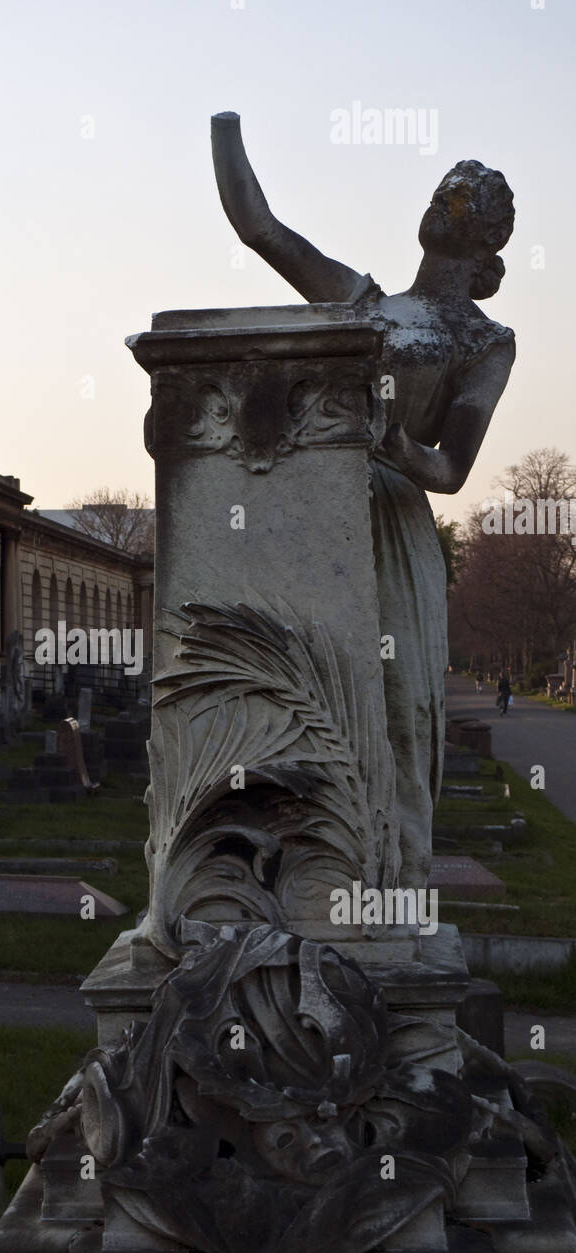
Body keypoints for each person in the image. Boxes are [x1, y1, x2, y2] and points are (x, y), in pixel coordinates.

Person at [211, 114, 516, 887]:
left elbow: (450, 469)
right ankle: (318, 873)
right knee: (313, 694)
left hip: (392, 519)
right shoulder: (363, 300)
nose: (443, 199)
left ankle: (396, 881)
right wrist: (225, 130)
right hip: (323, 509)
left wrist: (391, 443)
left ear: (484, 241)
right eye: (444, 188)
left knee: (399, 704)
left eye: (462, 197)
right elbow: (260, 229)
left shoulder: (483, 338)